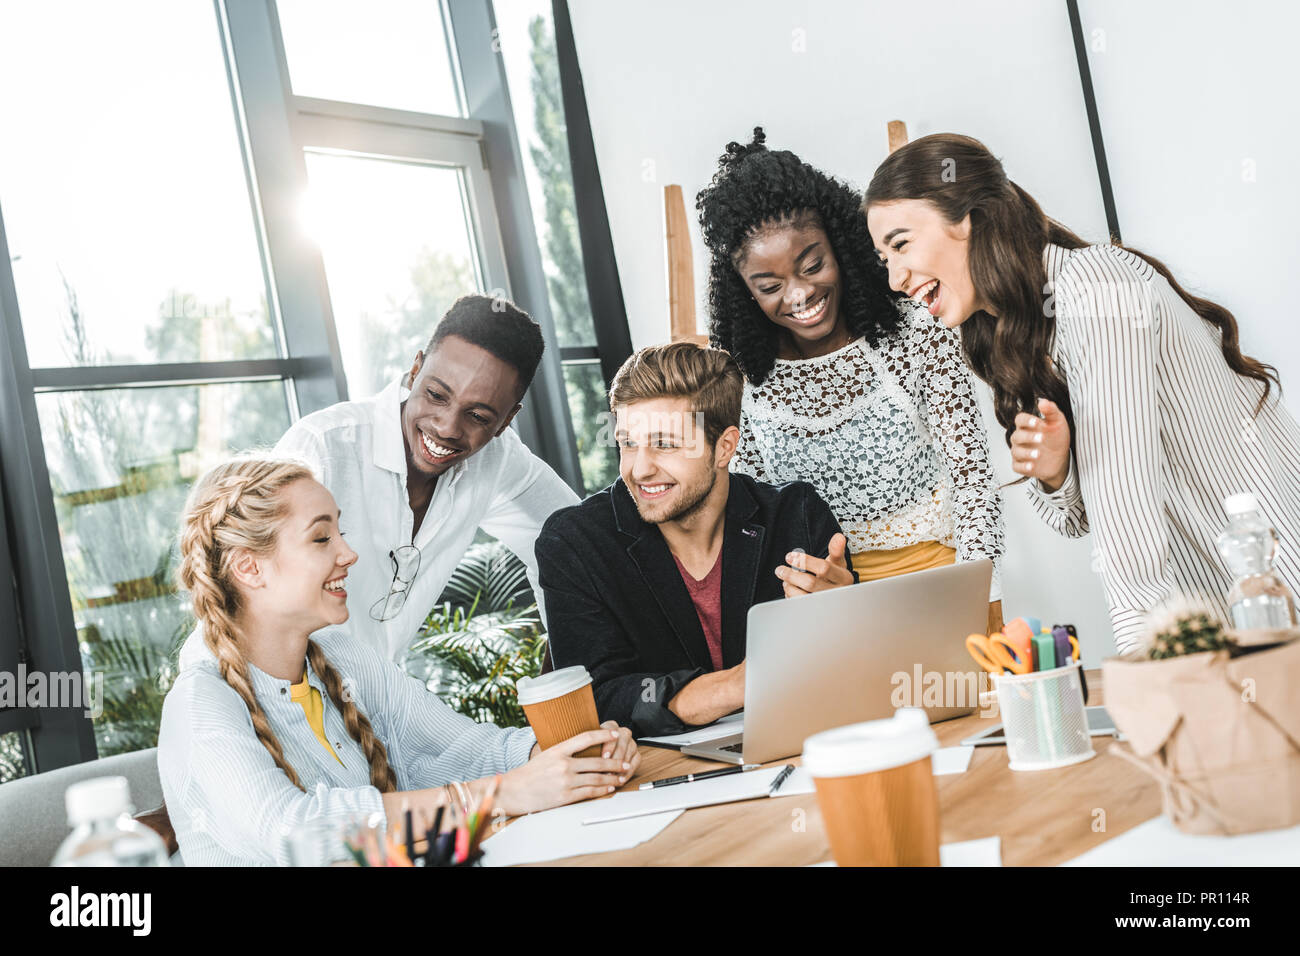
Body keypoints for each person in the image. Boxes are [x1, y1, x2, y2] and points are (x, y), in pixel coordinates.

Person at [864, 132, 1300, 653]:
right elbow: (1079, 517)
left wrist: (1142, 655)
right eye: (883, 257)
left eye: (901, 244)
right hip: (1218, 607)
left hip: (1277, 581)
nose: (893, 278)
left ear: (969, 218)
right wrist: (1057, 471)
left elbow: (1125, 502)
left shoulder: (1096, 288)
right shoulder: (1016, 330)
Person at [158, 458, 639, 866]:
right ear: (249, 567)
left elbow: (466, 747)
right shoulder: (201, 702)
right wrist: (500, 795)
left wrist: (567, 754)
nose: (348, 553)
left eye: (340, 532)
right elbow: (295, 833)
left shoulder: (342, 658)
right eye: (321, 539)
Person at [697, 128, 1004, 633]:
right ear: (744, 292)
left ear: (840, 245)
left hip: (941, 588)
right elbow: (752, 521)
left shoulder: (915, 333)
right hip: (819, 608)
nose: (798, 295)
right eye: (770, 286)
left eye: (812, 264)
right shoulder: (741, 383)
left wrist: (983, 598)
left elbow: (973, 484)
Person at [213, 294, 577, 665]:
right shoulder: (321, 447)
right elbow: (240, 587)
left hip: (380, 703)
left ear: (506, 421)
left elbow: (577, 543)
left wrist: (563, 670)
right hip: (282, 696)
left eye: (479, 416)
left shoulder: (498, 458)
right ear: (415, 370)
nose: (447, 427)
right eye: (436, 395)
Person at [536, 343, 854, 738]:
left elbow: (843, 666)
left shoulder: (795, 515)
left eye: (665, 444)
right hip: (657, 770)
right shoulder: (576, 542)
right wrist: (736, 685)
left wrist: (847, 614)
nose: (639, 469)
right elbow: (593, 698)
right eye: (628, 442)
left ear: (724, 447)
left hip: (800, 742)